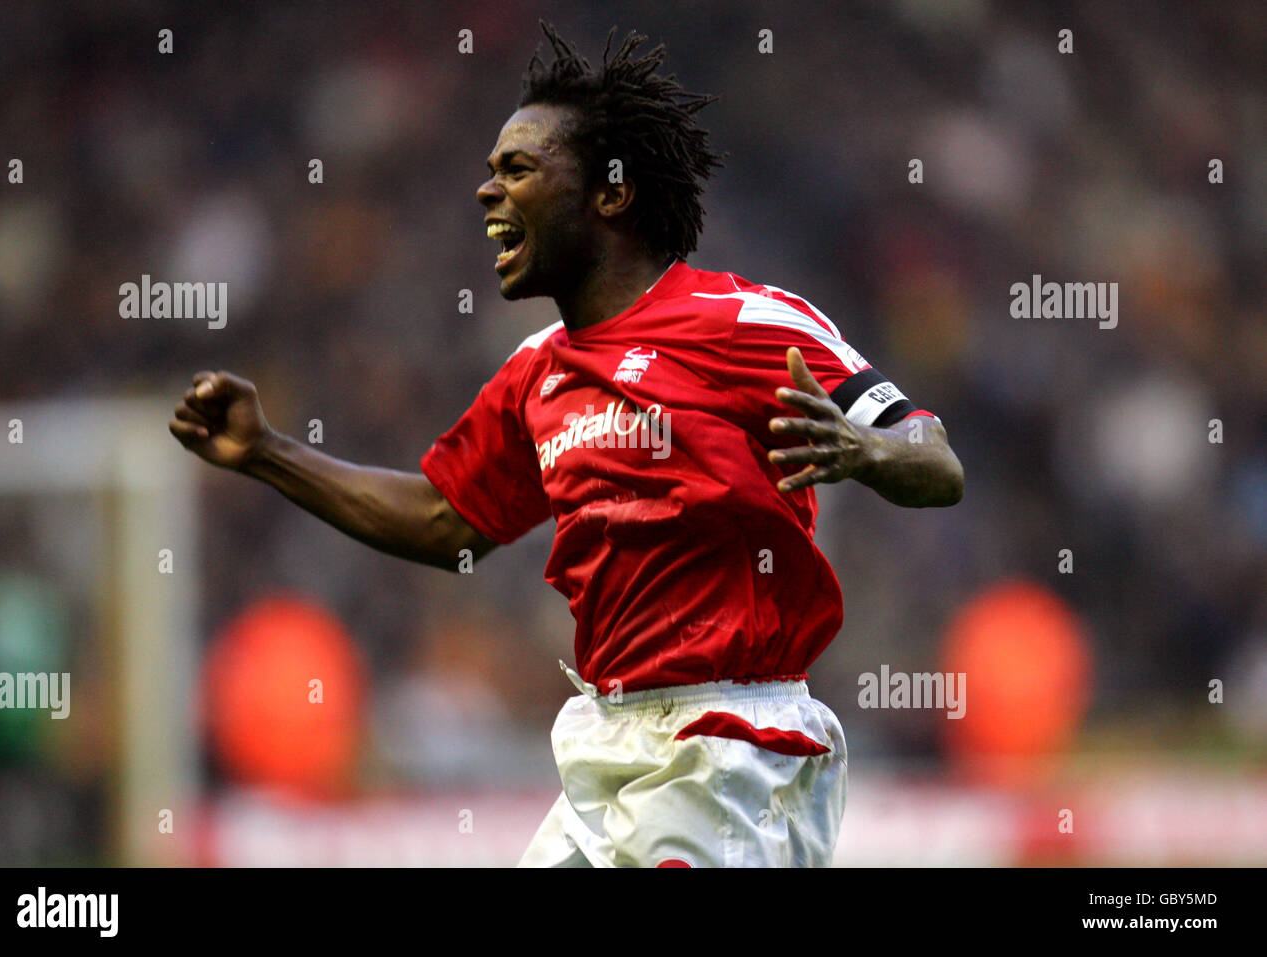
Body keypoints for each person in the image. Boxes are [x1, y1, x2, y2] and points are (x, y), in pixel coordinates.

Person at [169, 22, 963, 867]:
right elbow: (446, 520)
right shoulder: (533, 375)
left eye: (517, 169)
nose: (487, 192)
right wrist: (267, 453)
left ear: (609, 194)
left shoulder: (746, 324)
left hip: (732, 749)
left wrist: (868, 453)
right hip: (608, 745)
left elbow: (934, 456)